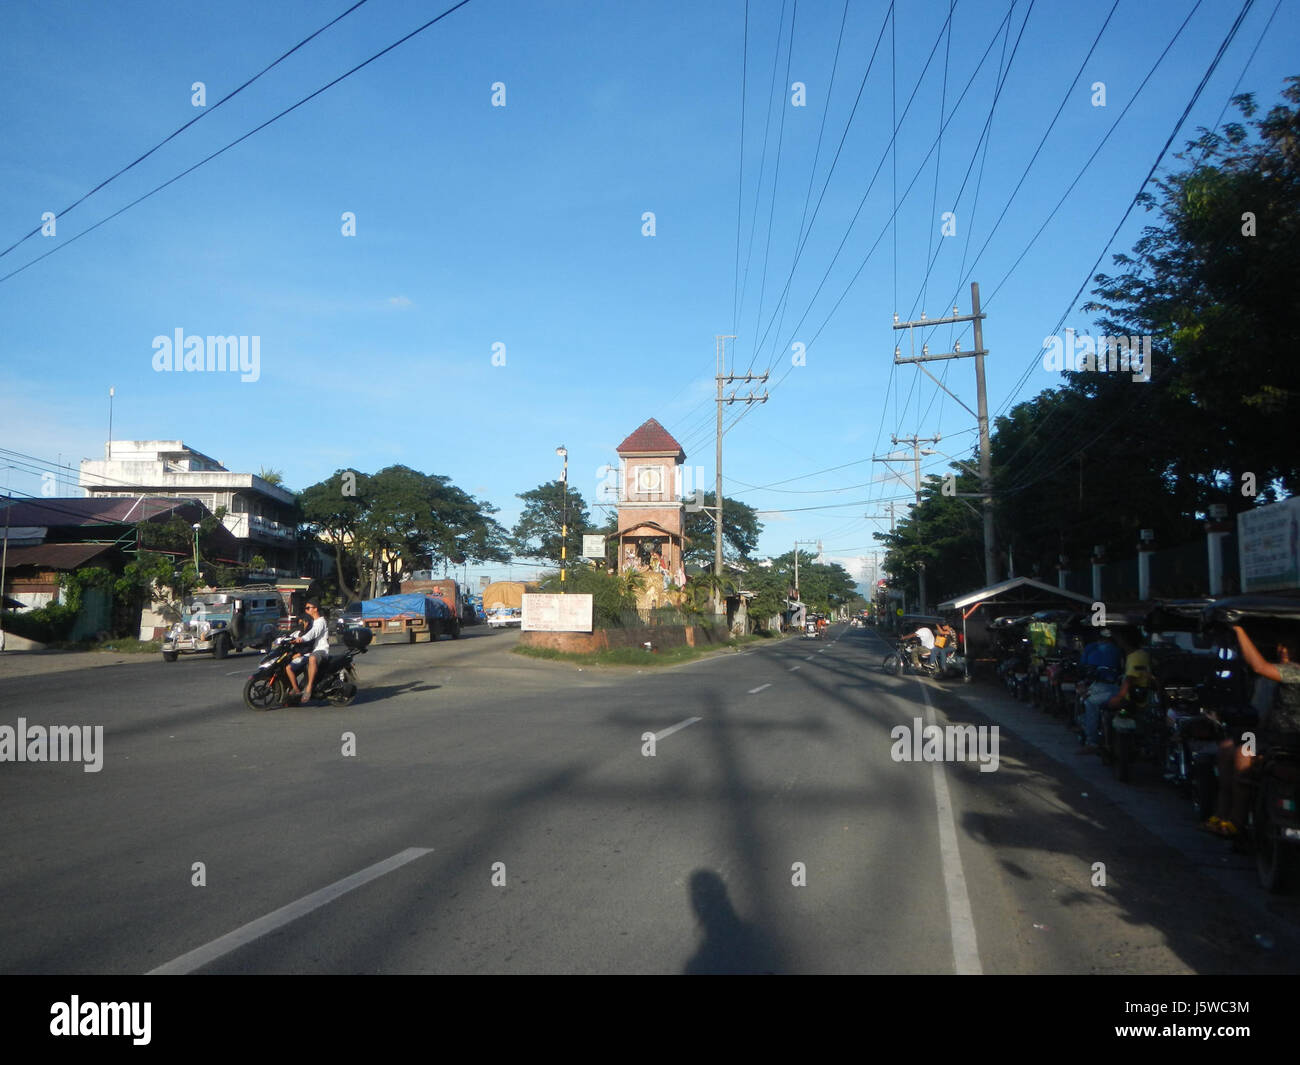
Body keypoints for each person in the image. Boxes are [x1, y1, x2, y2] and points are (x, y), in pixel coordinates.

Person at [1204, 627, 1300, 838]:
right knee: (1227, 747)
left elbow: (1258, 666)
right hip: (1267, 735)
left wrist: (1239, 628)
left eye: (1289, 647)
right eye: (1281, 646)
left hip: (1287, 742)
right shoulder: (1283, 674)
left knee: (1243, 755)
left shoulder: (1295, 672)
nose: (1282, 651)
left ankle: (1237, 821)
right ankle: (1222, 813)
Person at [1075, 629, 1125, 754]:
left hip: (1106, 688)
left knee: (1088, 702)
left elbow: (1083, 667)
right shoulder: (1120, 650)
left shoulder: (1093, 648)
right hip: (1115, 688)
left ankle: (1092, 742)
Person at [287, 599, 329, 701]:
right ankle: (296, 688)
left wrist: (302, 639)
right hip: (309, 651)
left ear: (315, 609)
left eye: (308, 608)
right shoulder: (311, 622)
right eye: (305, 608)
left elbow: (313, 633)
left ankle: (309, 687)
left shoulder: (320, 622)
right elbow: (299, 631)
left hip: (321, 650)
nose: (306, 610)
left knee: (312, 658)